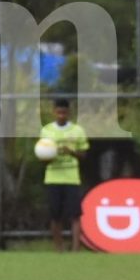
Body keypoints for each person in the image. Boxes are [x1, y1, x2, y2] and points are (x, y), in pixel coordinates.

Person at [37, 97, 91, 252]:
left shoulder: (77, 130)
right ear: (54, 112)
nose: (61, 115)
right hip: (53, 177)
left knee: (75, 215)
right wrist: (51, 155)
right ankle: (58, 248)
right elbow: (42, 157)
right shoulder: (47, 131)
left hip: (71, 178)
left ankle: (75, 249)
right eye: (59, 112)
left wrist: (71, 152)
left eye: (64, 113)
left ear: (69, 113)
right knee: (55, 215)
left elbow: (84, 155)